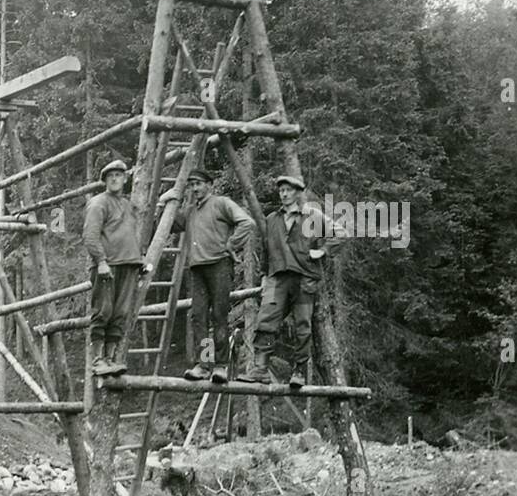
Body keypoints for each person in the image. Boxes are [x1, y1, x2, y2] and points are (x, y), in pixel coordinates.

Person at [238, 174, 341, 387]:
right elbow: (266, 249)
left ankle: (300, 373)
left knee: (303, 326)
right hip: (278, 278)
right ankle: (260, 369)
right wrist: (264, 275)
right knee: (265, 320)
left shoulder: (311, 215)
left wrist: (322, 251)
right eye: (281, 191)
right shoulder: (271, 219)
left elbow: (339, 233)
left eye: (288, 190)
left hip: (304, 278)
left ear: (297, 193)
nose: (284, 194)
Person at [162, 170, 255, 383]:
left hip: (219, 265)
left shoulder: (222, 203)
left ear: (209, 185)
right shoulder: (190, 211)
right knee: (198, 317)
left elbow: (247, 222)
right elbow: (169, 225)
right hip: (197, 269)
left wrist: (232, 244)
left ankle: (220, 366)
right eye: (192, 184)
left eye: (199, 184)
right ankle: (203, 365)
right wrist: (164, 204)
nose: (195, 189)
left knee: (219, 315)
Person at [83, 159, 152, 376]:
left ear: (125, 178)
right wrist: (101, 261)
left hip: (128, 265)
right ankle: (97, 359)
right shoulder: (98, 203)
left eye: (118, 175)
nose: (114, 179)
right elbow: (90, 236)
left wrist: (138, 261)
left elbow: (131, 234)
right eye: (110, 176)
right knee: (103, 311)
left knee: (121, 314)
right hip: (108, 266)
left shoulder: (128, 205)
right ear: (105, 180)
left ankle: (111, 359)